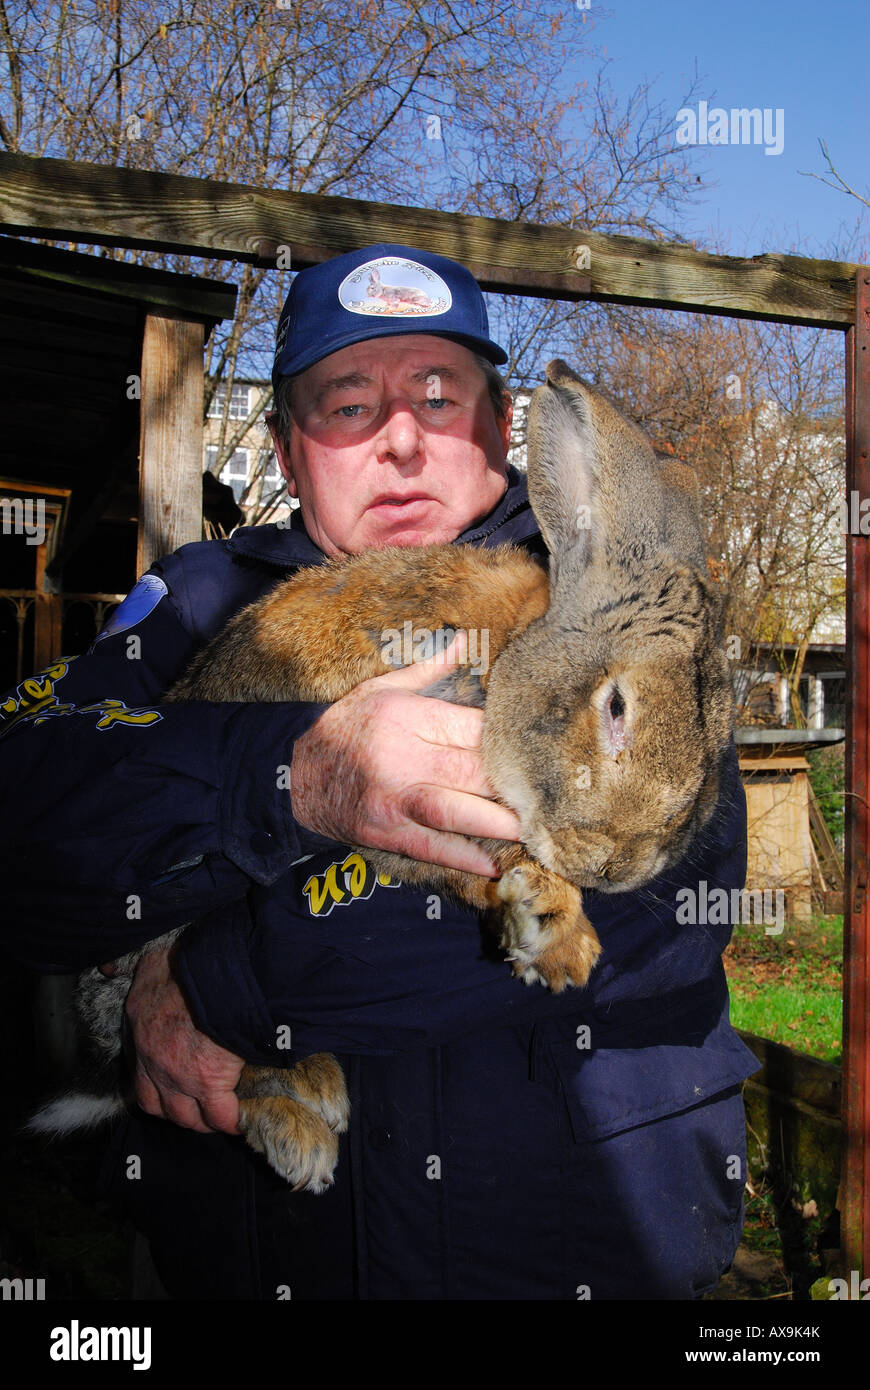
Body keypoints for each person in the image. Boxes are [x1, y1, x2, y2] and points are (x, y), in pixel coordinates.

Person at [0, 243, 758, 1300]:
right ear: (285, 446)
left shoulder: (619, 602)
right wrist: (294, 777)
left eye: (440, 397)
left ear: (504, 427)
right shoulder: (199, 601)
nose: (401, 440)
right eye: (348, 405)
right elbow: (27, 831)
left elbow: (662, 879)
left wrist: (226, 982)